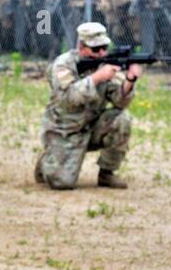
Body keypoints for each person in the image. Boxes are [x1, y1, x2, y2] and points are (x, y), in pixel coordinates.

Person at [34, 21, 140, 189]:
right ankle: (48, 158)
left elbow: (120, 101)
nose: (102, 53)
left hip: (92, 127)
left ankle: (107, 173)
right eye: (96, 49)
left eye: (104, 47)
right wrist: (97, 77)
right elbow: (70, 98)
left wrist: (130, 80)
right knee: (62, 183)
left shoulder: (106, 65)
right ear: (81, 46)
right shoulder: (63, 65)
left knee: (122, 119)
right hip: (65, 131)